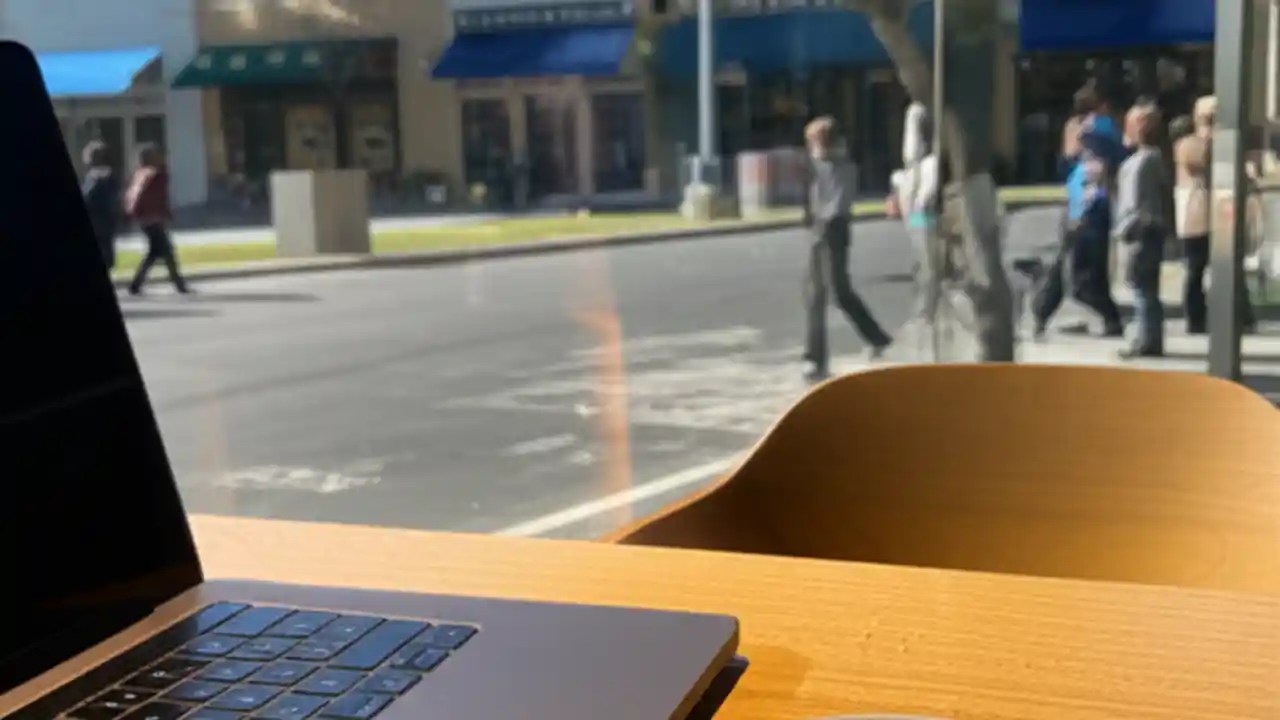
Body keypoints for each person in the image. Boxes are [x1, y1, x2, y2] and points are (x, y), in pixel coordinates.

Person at [802, 116, 892, 382]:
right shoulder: (819, 165)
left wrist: (823, 223)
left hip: (833, 230)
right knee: (814, 295)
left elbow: (837, 203)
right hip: (820, 230)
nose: (810, 148)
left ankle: (877, 337)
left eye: (812, 142)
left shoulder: (841, 166)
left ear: (823, 142)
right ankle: (814, 358)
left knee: (839, 291)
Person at [1033, 88, 1126, 338]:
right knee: (1084, 270)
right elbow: (1116, 153)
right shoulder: (1099, 127)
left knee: (1074, 267)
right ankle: (1107, 317)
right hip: (1091, 206)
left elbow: (1068, 163)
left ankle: (1043, 314)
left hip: (1083, 205)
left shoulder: (1079, 129)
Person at [1174, 95, 1255, 335]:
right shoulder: (1188, 144)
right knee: (1195, 269)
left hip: (1221, 215)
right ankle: (1195, 318)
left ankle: (1242, 316)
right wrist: (1211, 136)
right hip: (1196, 216)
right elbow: (1200, 162)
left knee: (1230, 266)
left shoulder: (1225, 142)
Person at [1114, 104, 1172, 359]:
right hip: (1149, 228)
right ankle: (1150, 338)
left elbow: (1134, 203)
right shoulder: (1155, 158)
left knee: (1143, 288)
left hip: (1141, 231)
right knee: (1146, 288)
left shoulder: (1142, 162)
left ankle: (1146, 340)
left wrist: (1124, 230)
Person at [125, 144, 190, 295]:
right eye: (156, 155)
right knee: (166, 251)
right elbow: (158, 198)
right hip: (153, 219)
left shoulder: (139, 174)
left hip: (144, 219)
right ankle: (178, 284)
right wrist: (165, 214)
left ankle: (136, 284)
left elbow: (135, 198)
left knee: (155, 253)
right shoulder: (156, 174)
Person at [80, 141, 120, 271]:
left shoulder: (97, 177)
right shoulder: (107, 176)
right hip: (106, 222)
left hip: (99, 221)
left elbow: (91, 198)